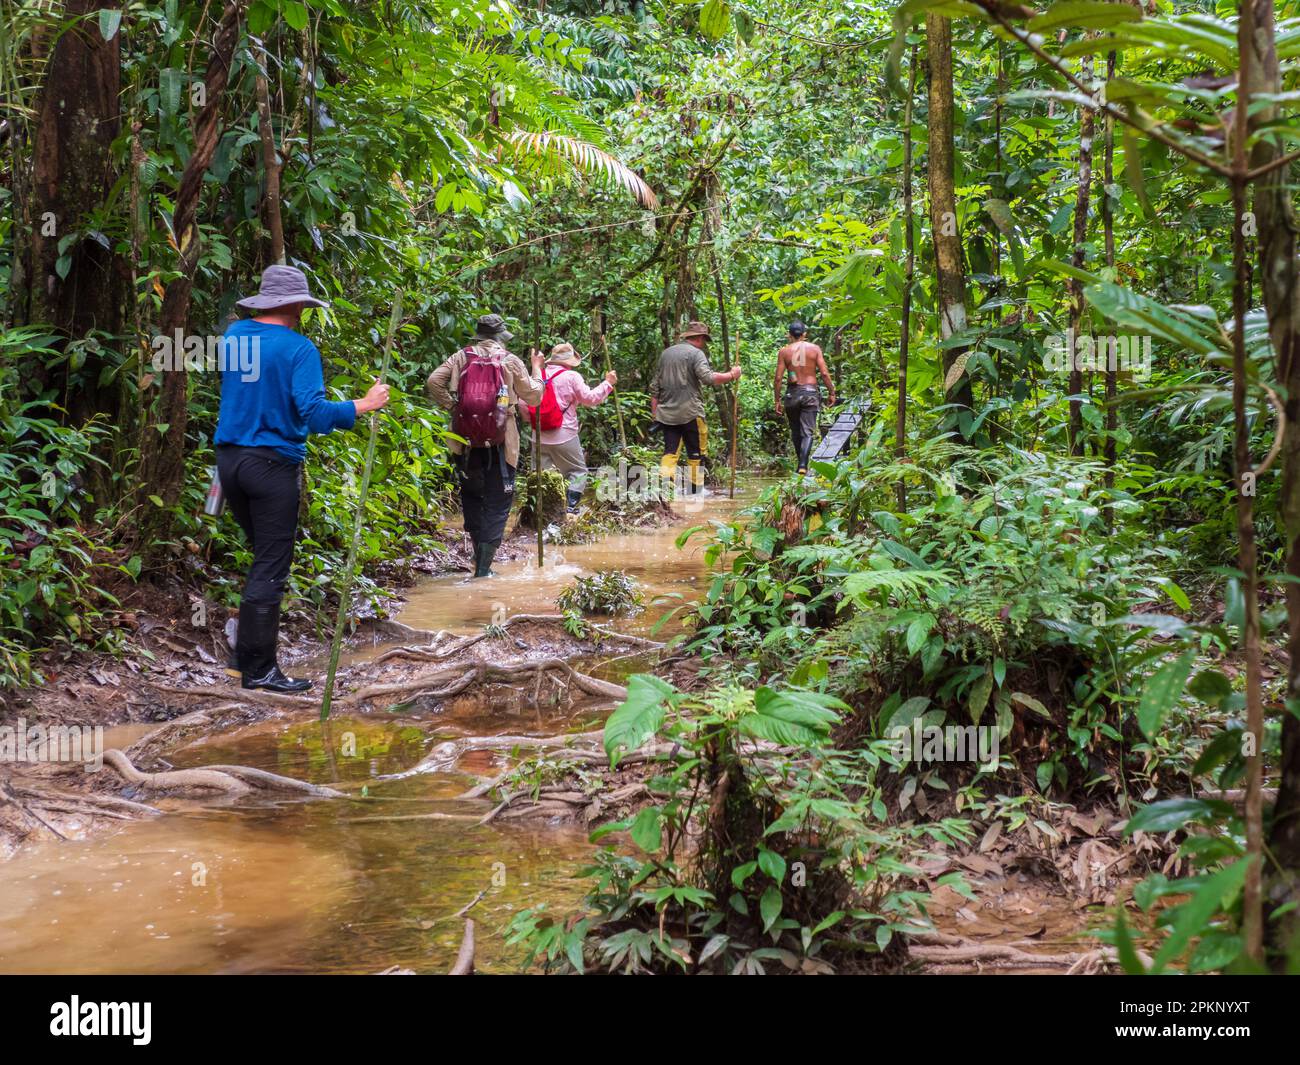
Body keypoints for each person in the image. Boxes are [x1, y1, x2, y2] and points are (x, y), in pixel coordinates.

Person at [215, 264, 391, 693]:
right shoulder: (299, 349)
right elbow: (312, 414)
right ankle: (259, 672)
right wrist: (363, 405)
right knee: (270, 567)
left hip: (229, 461)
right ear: (295, 305)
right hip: (272, 465)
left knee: (262, 560)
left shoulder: (234, 337)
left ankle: (244, 663)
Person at [428, 314, 543, 578]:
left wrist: (454, 406)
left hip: (464, 440)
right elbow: (534, 397)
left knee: (472, 496)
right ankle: (483, 569)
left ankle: (478, 561)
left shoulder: (461, 357)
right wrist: (537, 370)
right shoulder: (510, 360)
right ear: (500, 337)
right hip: (503, 441)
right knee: (498, 501)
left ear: (479, 336)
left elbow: (434, 381)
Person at [518, 342, 616, 513]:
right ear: (569, 361)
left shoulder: (537, 374)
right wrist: (608, 383)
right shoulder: (571, 376)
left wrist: (532, 421)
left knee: (541, 475)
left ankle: (542, 513)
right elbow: (589, 398)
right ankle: (569, 508)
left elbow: (522, 402)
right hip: (565, 435)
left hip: (538, 435)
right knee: (578, 472)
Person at [650, 321, 740, 495]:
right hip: (691, 412)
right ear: (699, 338)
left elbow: (655, 387)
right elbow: (707, 378)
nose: (704, 344)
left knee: (670, 452)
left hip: (667, 413)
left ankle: (665, 493)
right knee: (695, 453)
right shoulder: (696, 353)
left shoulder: (666, 354)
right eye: (704, 340)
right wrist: (731, 375)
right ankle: (694, 492)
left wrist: (656, 414)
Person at [774, 320, 836, 474]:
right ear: (804, 335)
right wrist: (832, 392)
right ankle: (803, 465)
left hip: (791, 395)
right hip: (810, 393)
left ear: (789, 335)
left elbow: (778, 378)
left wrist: (777, 400)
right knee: (807, 432)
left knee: (796, 431)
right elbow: (824, 373)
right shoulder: (814, 349)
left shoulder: (784, 352)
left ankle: (800, 466)